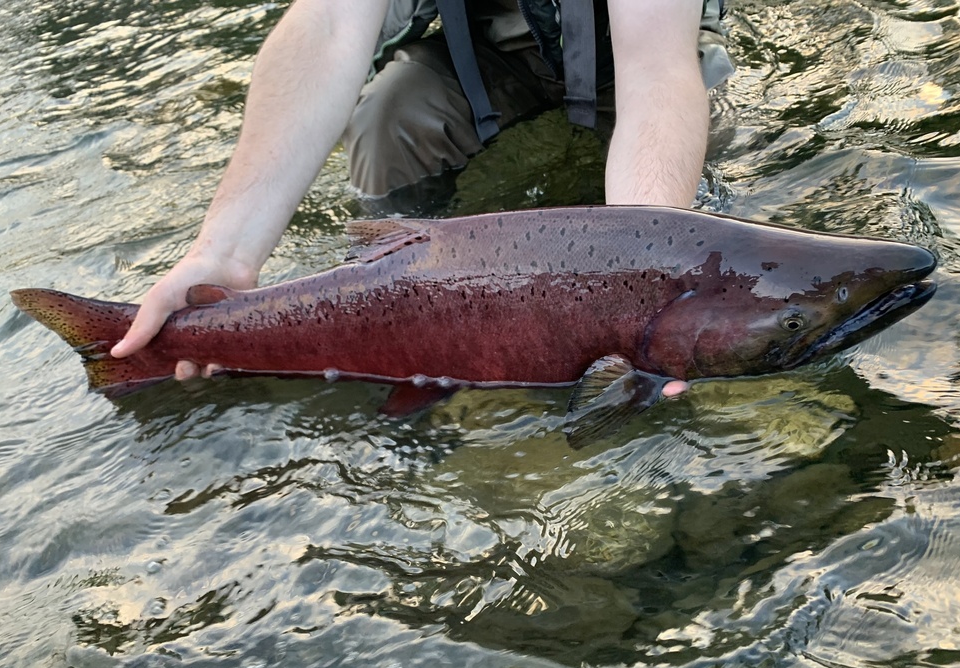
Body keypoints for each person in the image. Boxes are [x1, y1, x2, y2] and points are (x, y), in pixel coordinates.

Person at [110, 0, 733, 385]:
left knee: (688, 126)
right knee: (386, 122)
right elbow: (328, 26)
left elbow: (657, 68)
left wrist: (647, 277)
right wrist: (222, 255)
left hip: (639, 50)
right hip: (492, 52)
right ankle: (399, 302)